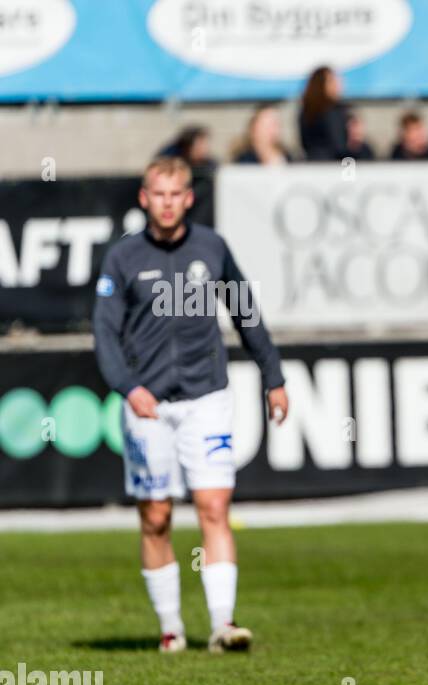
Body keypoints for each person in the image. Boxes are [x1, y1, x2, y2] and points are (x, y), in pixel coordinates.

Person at [92, 157, 289, 654]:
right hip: (149, 405)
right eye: (158, 194)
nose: (167, 202)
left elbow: (245, 312)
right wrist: (127, 386)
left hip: (207, 397)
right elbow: (105, 333)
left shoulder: (211, 247)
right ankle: (171, 627)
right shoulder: (123, 258)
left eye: (176, 193)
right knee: (156, 516)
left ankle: (223, 625)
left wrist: (273, 376)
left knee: (213, 505)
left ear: (189, 198)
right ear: (144, 198)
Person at [298, 66, 350, 161]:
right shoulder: (333, 111)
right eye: (333, 81)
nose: (338, 85)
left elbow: (304, 143)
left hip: (313, 163)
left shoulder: (305, 110)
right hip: (332, 165)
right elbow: (339, 146)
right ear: (321, 85)